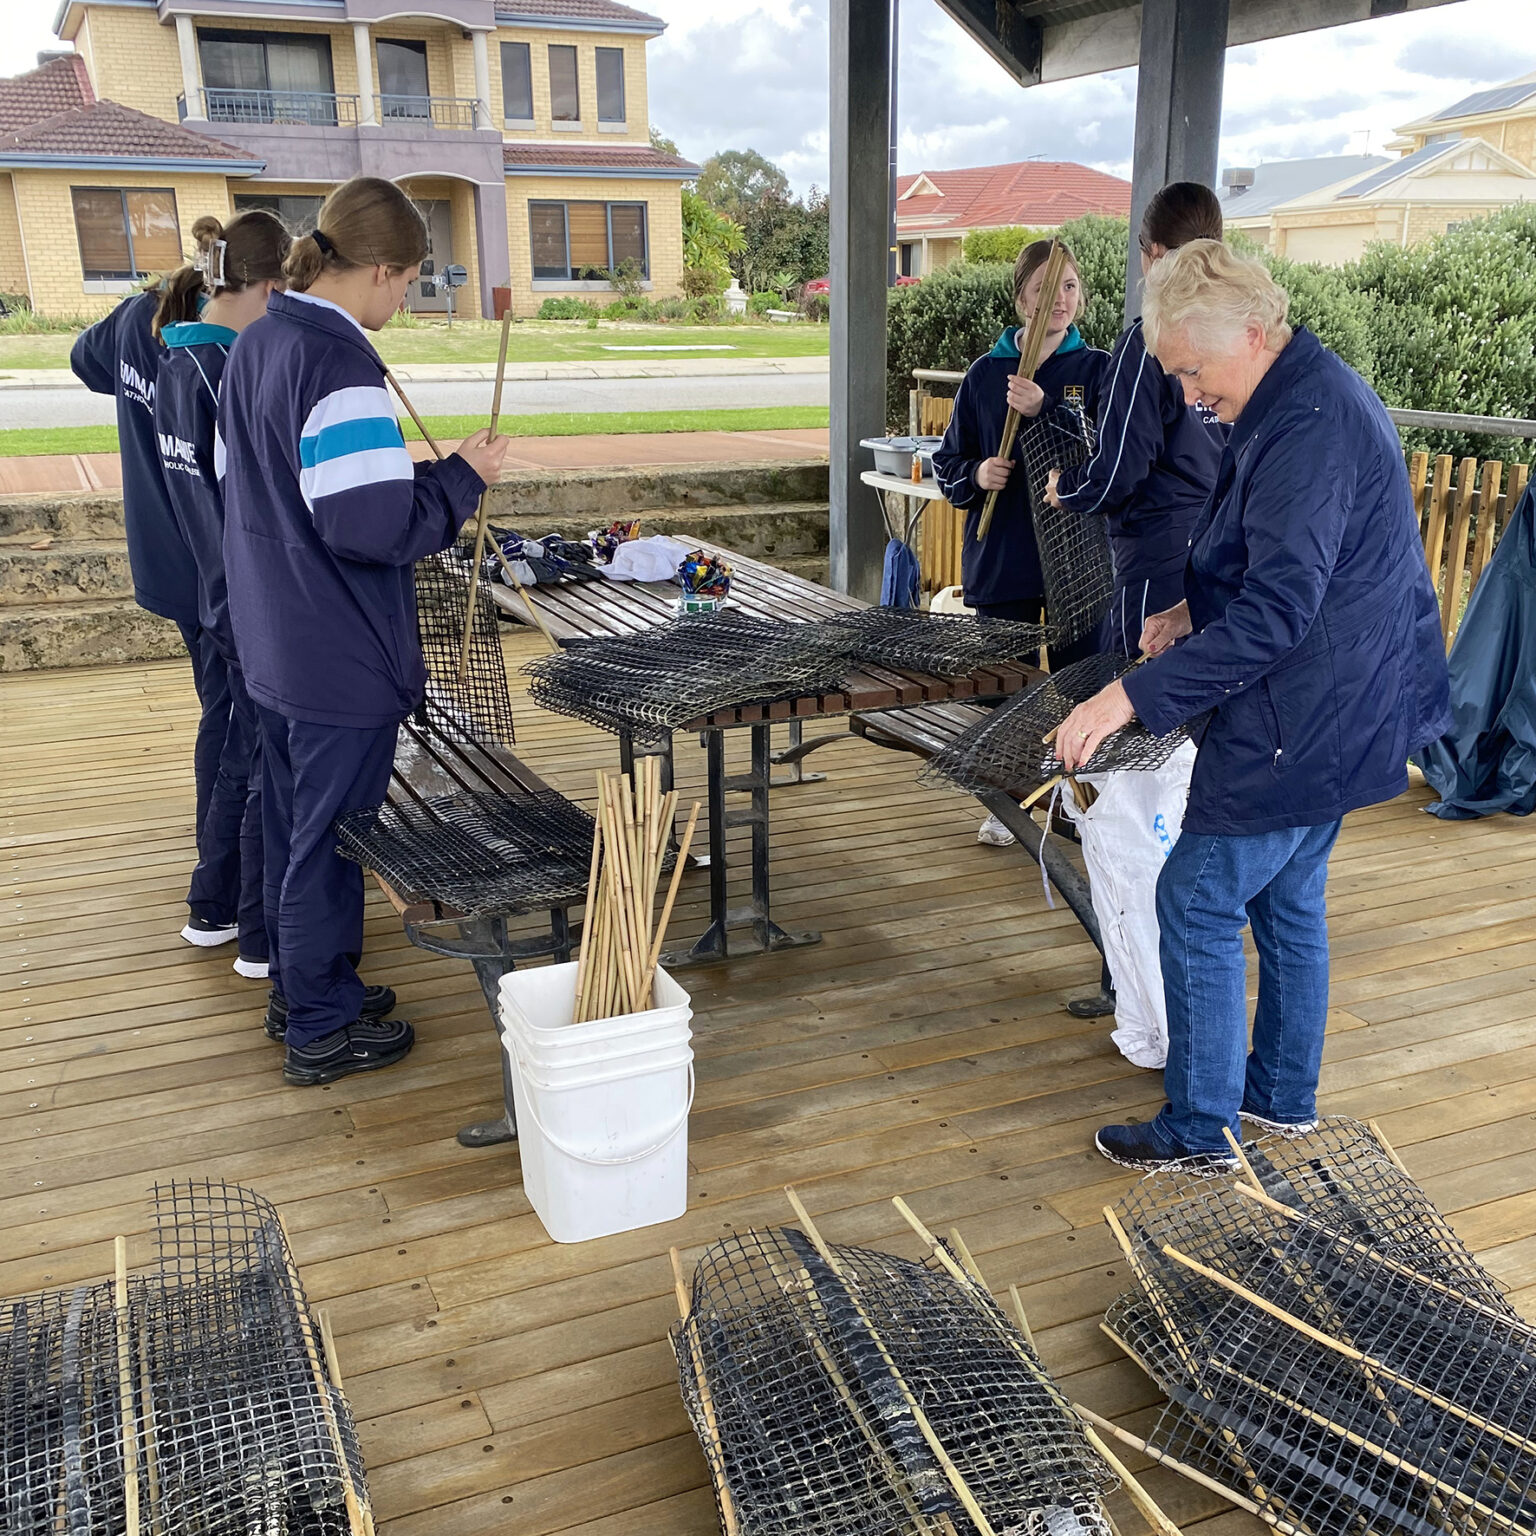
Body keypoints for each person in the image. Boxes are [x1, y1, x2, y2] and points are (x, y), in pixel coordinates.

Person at [1054, 240, 1451, 1170]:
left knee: (1193, 898)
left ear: (1257, 333)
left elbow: (1279, 614)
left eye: (1194, 369)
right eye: (1177, 374)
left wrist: (1124, 699)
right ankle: (1279, 1099)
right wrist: (1193, 607)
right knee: (1288, 901)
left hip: (1308, 716)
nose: (1189, 393)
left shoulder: (1308, 423)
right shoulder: (1297, 392)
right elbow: (1292, 565)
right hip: (1351, 708)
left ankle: (1200, 1129)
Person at [219, 177, 509, 1086]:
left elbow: (275, 488)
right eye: (410, 282)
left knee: (291, 824)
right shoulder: (337, 366)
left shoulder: (262, 338)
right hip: (331, 653)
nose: (406, 301)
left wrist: (428, 475)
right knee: (331, 840)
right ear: (383, 270)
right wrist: (459, 478)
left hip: (272, 636)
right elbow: (367, 527)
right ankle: (319, 1025)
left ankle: (307, 985)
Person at [72, 257, 232, 944]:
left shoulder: (140, 314)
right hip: (210, 569)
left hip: (171, 561)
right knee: (231, 729)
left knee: (222, 715)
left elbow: (88, 362)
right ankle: (218, 895)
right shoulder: (214, 343)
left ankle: (233, 870)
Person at [932, 239, 1110, 845]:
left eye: (1069, 286)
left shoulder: (1096, 371)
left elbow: (1106, 455)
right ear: (1021, 300)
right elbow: (947, 461)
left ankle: (1072, 802)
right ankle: (1007, 805)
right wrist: (977, 475)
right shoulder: (986, 374)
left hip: (1076, 567)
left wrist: (1045, 409)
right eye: (1044, 289)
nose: (1060, 300)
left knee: (1076, 688)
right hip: (1002, 558)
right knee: (1002, 688)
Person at [153, 212, 290, 980]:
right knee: (256, 765)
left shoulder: (178, 359)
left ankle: (214, 905)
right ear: (270, 287)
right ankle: (253, 930)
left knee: (238, 753)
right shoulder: (223, 371)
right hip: (242, 603)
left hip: (211, 593)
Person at [1045, 183, 1226, 655]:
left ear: (1156, 254)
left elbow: (1116, 472)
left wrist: (1065, 487)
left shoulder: (1149, 342)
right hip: (1222, 560)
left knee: (1135, 709)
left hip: (1158, 563)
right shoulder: (1230, 336)